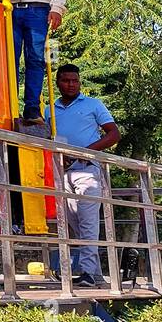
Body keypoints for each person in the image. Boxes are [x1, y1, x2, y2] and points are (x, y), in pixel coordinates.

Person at [45, 64, 120, 287]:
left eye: (74, 81)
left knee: (88, 224)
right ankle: (94, 274)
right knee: (73, 224)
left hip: (87, 171)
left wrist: (88, 151)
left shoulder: (93, 104)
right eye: (66, 80)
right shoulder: (49, 109)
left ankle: (88, 272)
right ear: (58, 82)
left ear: (79, 82)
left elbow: (114, 133)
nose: (70, 84)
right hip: (62, 173)